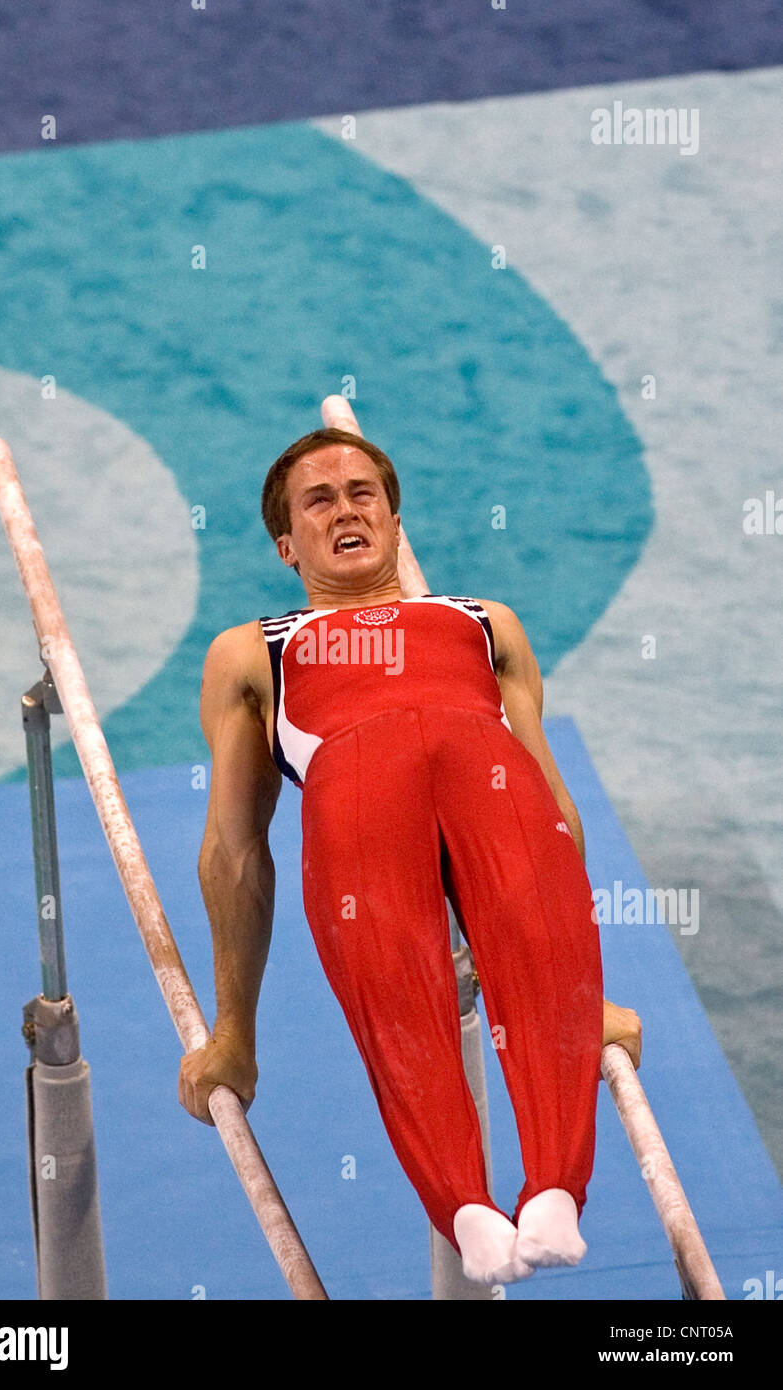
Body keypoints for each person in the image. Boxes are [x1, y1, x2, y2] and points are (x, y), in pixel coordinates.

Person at [178, 426, 642, 1287]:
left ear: (395, 525)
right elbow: (235, 852)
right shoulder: (254, 650)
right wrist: (234, 1031)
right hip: (356, 781)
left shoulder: (480, 622)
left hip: (484, 768)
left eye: (363, 494)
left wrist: (585, 995)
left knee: (529, 912)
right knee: (394, 985)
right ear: (288, 546)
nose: (345, 508)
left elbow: (551, 813)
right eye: (318, 501)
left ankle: (553, 1191)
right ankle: (463, 1203)